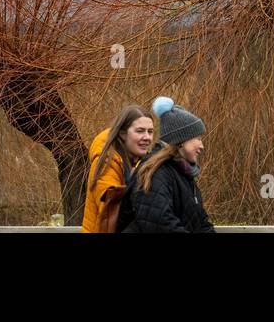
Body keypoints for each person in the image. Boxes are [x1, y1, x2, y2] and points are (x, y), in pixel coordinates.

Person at [116, 96, 216, 233]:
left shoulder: (183, 175)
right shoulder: (156, 173)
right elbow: (160, 224)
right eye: (197, 139)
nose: (202, 146)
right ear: (181, 141)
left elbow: (201, 221)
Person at [81, 104, 155, 233]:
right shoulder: (107, 162)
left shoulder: (136, 161)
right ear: (122, 133)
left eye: (150, 131)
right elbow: (111, 208)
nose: (147, 137)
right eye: (140, 131)